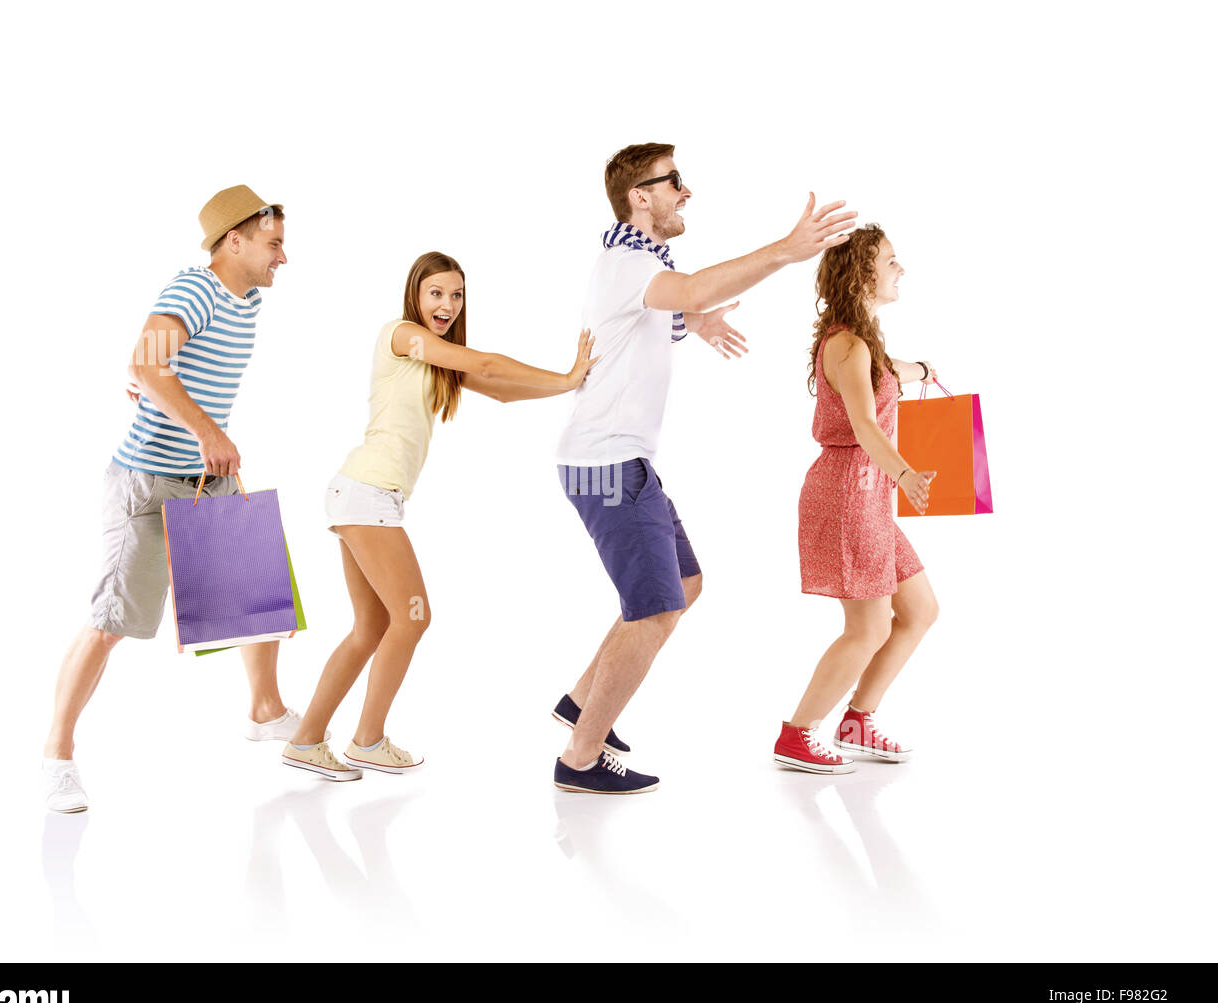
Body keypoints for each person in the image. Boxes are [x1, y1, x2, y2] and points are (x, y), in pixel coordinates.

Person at [552, 143, 858, 794]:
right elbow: (679, 290)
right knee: (656, 608)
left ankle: (583, 700)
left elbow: (666, 306)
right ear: (641, 196)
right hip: (607, 463)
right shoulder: (629, 261)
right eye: (674, 182)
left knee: (683, 583)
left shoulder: (637, 265)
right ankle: (578, 758)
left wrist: (695, 318)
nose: (686, 192)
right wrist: (784, 249)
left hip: (623, 460)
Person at [280, 251, 597, 782]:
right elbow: (489, 366)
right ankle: (367, 740)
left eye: (456, 295)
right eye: (436, 293)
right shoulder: (402, 335)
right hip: (366, 493)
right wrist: (567, 376)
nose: (446, 304)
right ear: (415, 295)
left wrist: (571, 384)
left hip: (363, 496)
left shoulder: (440, 358)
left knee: (371, 627)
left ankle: (307, 740)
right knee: (413, 617)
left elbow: (498, 389)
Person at [43, 186, 299, 813]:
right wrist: (203, 426)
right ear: (233, 241)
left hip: (201, 481)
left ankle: (265, 710)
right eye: (274, 244)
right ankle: (56, 757)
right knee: (112, 623)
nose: (283, 258)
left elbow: (148, 366)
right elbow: (146, 360)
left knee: (261, 593)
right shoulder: (195, 288)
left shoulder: (248, 303)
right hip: (147, 482)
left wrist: (146, 380)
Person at [773, 224, 940, 774]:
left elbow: (884, 374)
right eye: (891, 261)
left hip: (869, 496)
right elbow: (867, 424)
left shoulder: (863, 342)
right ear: (862, 272)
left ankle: (858, 721)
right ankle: (797, 734)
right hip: (850, 493)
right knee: (866, 627)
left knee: (918, 610)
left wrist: (922, 370)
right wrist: (907, 474)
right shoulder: (847, 343)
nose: (900, 270)